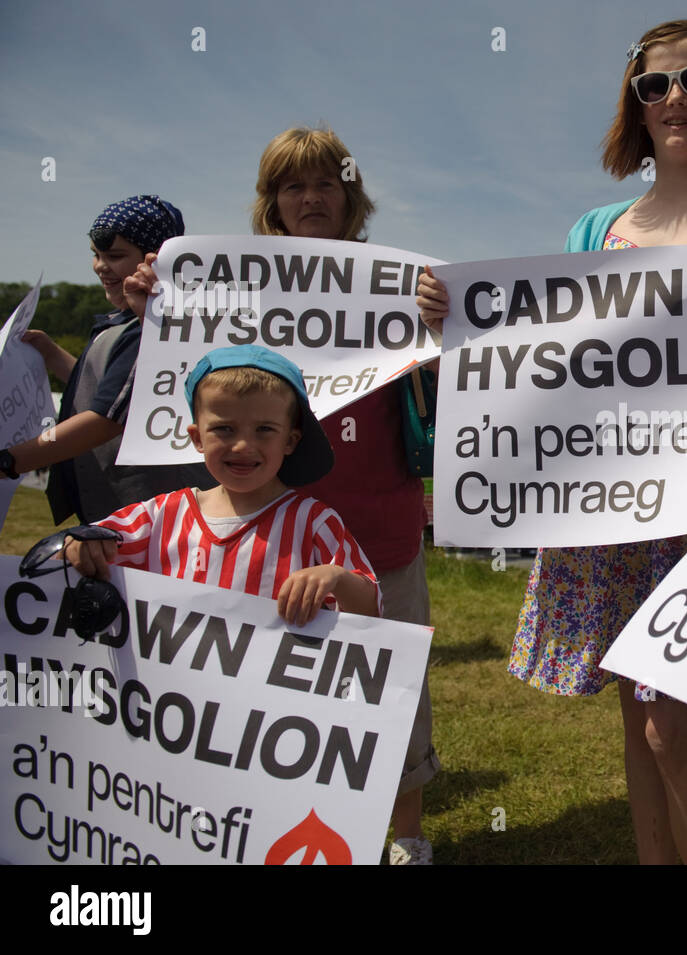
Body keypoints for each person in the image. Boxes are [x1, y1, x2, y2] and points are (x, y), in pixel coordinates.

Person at [419, 19, 687, 865]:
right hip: (611, 512)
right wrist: (459, 322)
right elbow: (552, 361)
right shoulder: (595, 230)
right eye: (653, 85)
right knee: (637, 713)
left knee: (670, 727)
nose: (673, 100)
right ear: (635, 102)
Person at [125, 128, 441, 865]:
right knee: (277, 711)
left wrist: (440, 327)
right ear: (271, 202)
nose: (310, 198)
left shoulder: (395, 284)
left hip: (380, 532)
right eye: (293, 186)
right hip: (268, 541)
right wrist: (156, 307)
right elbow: (194, 369)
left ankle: (407, 841)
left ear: (350, 195)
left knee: (391, 700)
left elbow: (455, 386)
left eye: (326, 183)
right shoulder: (231, 285)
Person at [66, 345, 380, 626]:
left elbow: (370, 613)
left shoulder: (313, 523)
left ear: (290, 440)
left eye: (264, 429)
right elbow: (75, 550)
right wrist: (79, 545)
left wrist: (336, 578)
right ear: (197, 438)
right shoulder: (159, 517)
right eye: (224, 429)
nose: (243, 445)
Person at [0, 196, 213, 522]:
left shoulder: (153, 326)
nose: (101, 265)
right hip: (118, 509)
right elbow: (108, 392)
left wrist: (10, 461)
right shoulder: (121, 322)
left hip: (141, 514)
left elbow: (106, 419)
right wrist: (50, 352)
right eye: (96, 255)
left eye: (114, 256)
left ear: (154, 260)